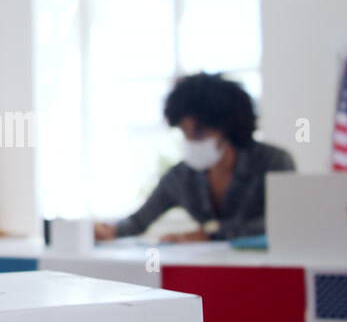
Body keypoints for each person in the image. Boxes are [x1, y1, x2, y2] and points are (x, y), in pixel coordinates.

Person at [95, 72, 294, 243]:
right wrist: (110, 231)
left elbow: (285, 223)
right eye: (184, 132)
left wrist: (210, 233)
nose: (190, 140)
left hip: (268, 270)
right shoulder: (181, 176)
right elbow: (138, 221)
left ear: (226, 128)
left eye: (199, 132)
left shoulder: (273, 162)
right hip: (207, 274)